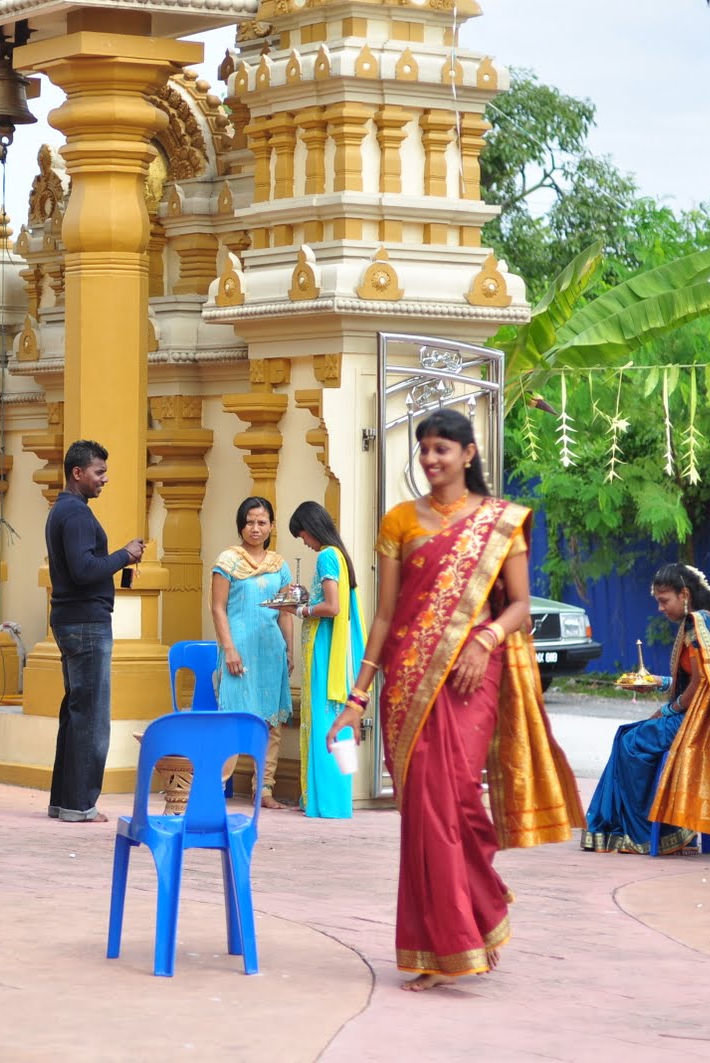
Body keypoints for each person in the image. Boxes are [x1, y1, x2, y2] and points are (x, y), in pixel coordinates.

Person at [329, 408, 581, 992]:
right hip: (407, 687)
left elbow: (518, 604)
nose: (431, 460)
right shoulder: (398, 522)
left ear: (468, 454)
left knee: (458, 801)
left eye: (442, 449)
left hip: (473, 675)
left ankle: (474, 918)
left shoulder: (501, 522)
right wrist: (358, 697)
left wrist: (485, 639)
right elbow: (388, 615)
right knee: (423, 813)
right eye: (424, 451)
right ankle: (443, 943)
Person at [583, 563, 710, 855]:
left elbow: (698, 686)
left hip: (705, 726)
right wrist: (659, 683)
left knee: (628, 740)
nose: (660, 607)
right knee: (633, 736)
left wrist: (668, 710)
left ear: (684, 594)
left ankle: (643, 833)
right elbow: (705, 682)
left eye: (663, 599)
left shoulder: (697, 624)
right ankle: (659, 830)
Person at [44, 439, 144, 824]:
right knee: (91, 717)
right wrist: (124, 555)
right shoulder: (76, 515)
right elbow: (85, 570)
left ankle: (63, 800)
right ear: (77, 473)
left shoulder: (64, 511)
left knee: (75, 713)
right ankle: (81, 804)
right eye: (99, 472)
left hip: (72, 620)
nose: (104, 479)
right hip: (86, 622)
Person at [210, 497, 294, 809]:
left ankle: (265, 789)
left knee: (272, 722)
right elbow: (217, 609)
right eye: (249, 522)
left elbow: (285, 612)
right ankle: (216, 788)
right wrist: (229, 649)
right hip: (239, 650)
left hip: (271, 650)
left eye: (261, 522)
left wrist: (289, 650)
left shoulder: (279, 565)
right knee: (233, 717)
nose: (255, 528)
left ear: (271, 526)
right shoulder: (228, 561)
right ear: (240, 525)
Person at [287, 501, 365, 819]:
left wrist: (301, 609)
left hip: (323, 647)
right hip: (328, 646)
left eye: (302, 534)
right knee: (332, 715)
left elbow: (331, 607)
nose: (304, 541)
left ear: (311, 527)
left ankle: (328, 801)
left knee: (324, 716)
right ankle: (331, 799)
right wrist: (308, 596)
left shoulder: (327, 555)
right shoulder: (338, 554)